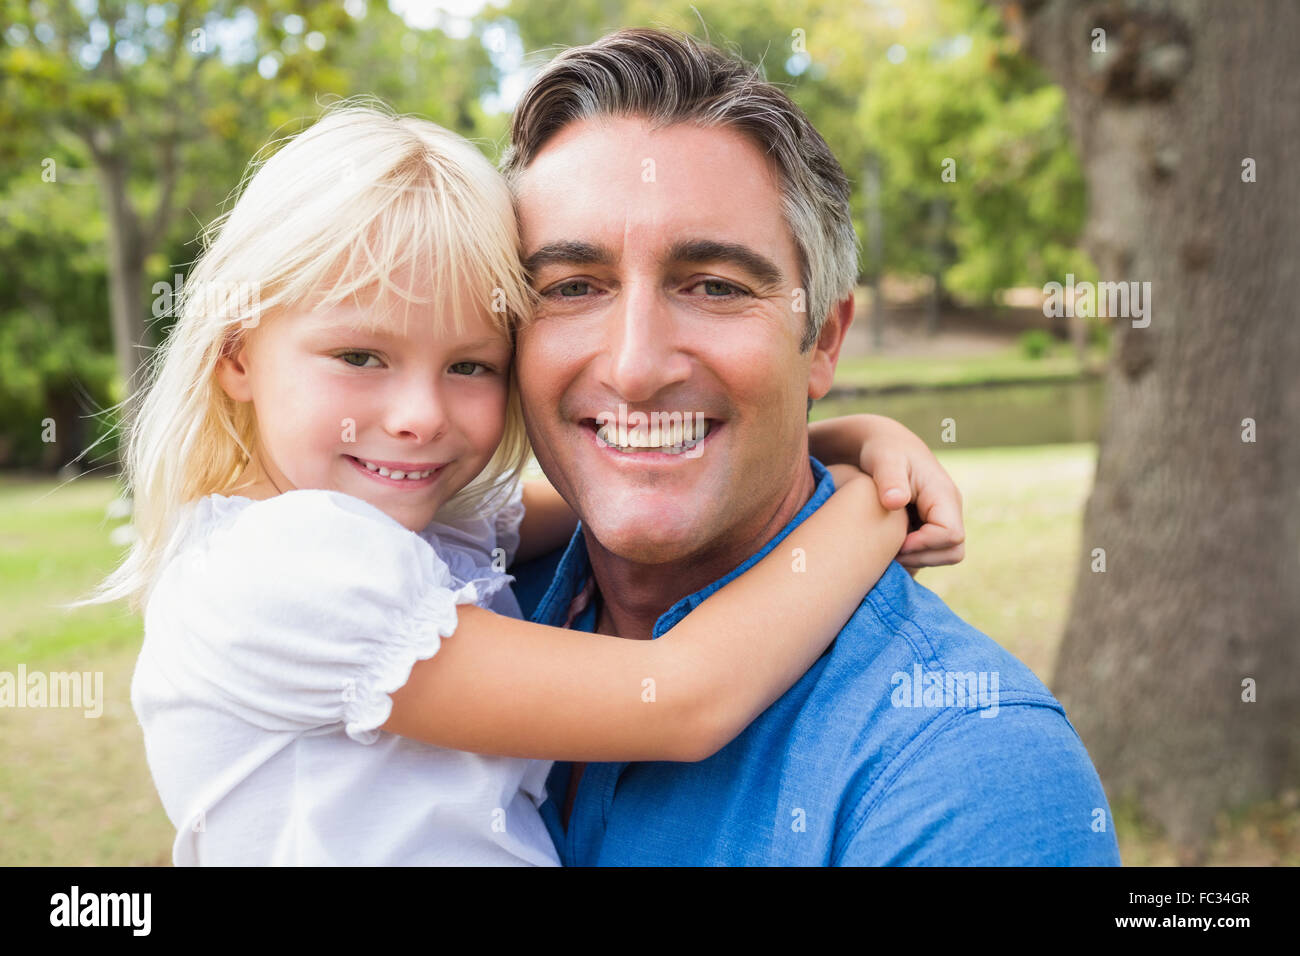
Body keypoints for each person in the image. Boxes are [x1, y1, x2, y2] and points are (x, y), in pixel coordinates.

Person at [87, 103, 964, 866]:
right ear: (236, 353)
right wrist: (868, 510)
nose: (419, 416)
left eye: (470, 364)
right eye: (360, 356)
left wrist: (845, 435)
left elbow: (615, 483)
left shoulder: (406, 518)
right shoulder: (282, 571)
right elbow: (686, 697)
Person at [502, 28, 1123, 865]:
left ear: (823, 339)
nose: (635, 366)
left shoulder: (968, 771)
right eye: (572, 288)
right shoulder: (446, 588)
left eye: (715, 287)